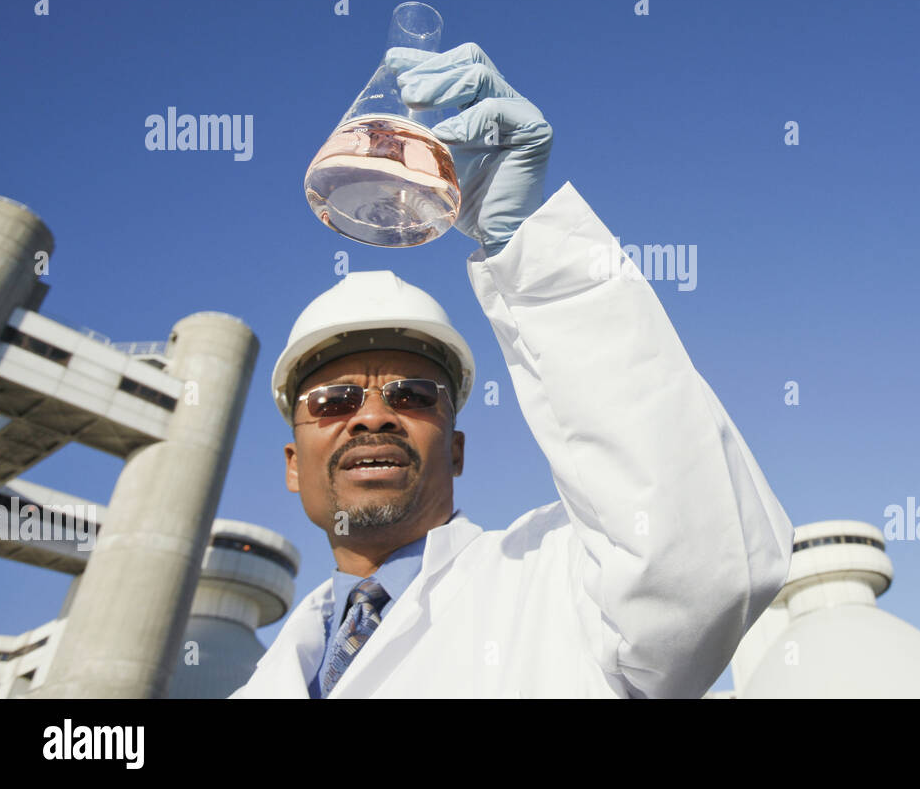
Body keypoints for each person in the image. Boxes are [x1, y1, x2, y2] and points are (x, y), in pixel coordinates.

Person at [230, 43, 794, 698]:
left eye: (414, 395)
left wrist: (526, 245)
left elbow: (700, 565)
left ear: (458, 448)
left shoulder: (565, 588)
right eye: (334, 399)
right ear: (293, 463)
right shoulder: (269, 679)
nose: (374, 414)